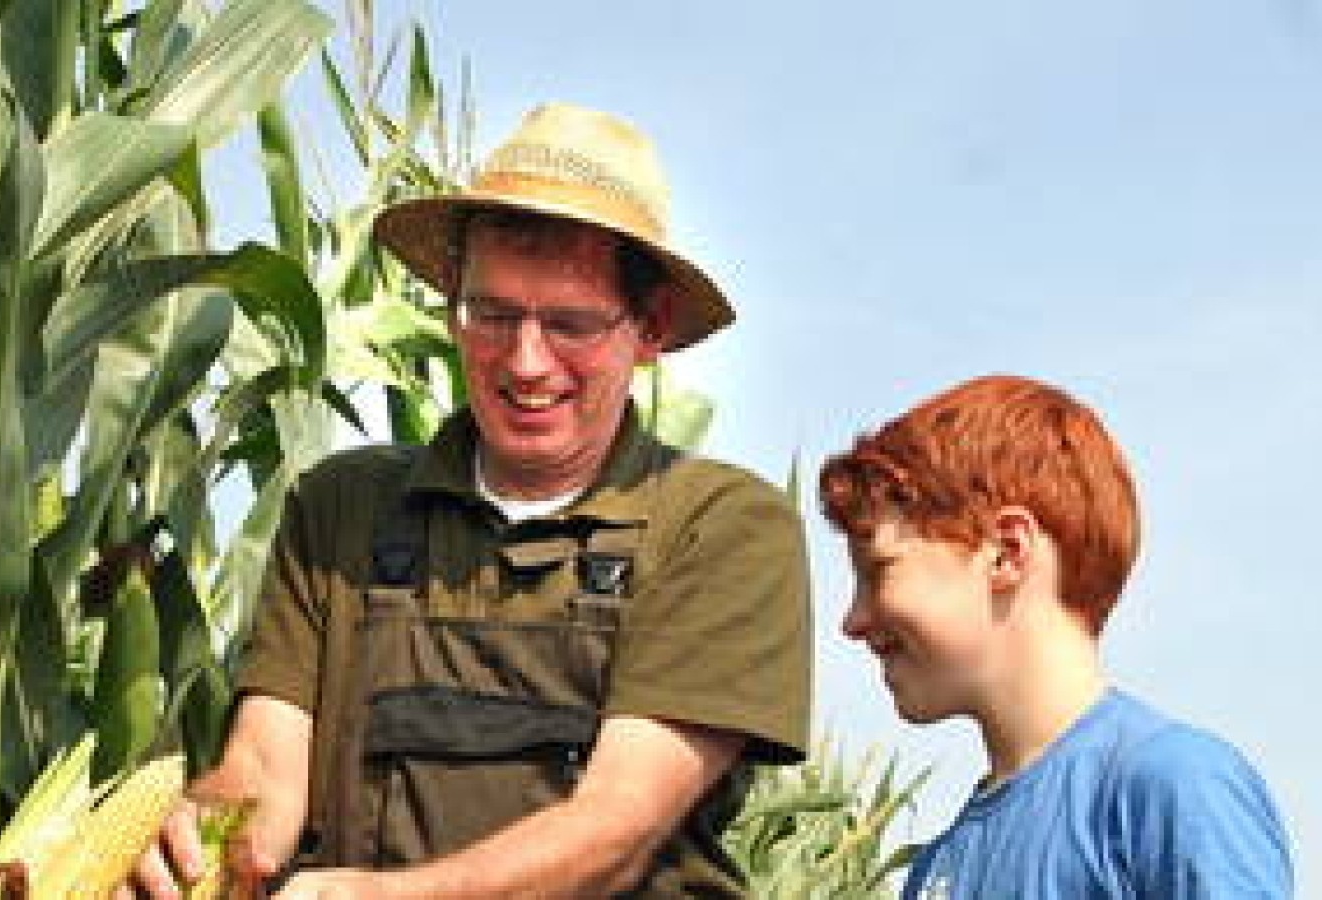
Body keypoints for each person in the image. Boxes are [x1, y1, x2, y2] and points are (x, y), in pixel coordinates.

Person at [124, 103, 812, 899]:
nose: (525, 361)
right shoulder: (342, 509)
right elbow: (265, 779)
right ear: (451, 299)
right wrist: (193, 834)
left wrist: (381, 897)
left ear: (649, 327)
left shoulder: (718, 526)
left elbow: (619, 824)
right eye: (492, 314)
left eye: (570, 325)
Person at [817, 374, 1293, 898]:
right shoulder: (936, 868)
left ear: (1007, 552)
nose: (853, 620)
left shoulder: (1175, 788)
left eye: (880, 571)